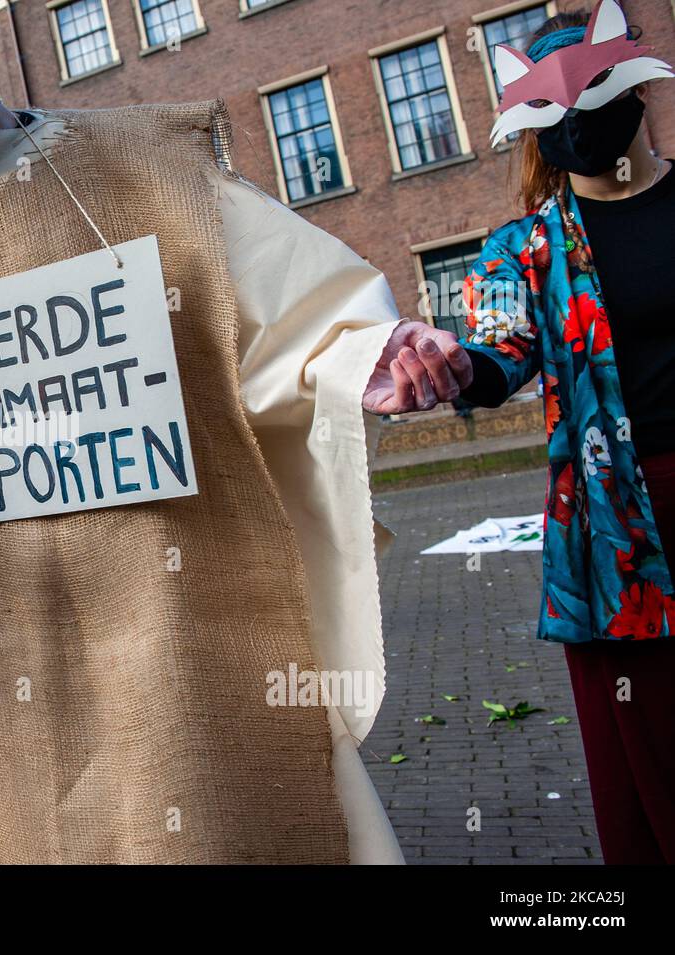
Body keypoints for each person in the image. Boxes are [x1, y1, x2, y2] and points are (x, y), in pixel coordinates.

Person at [0, 0, 468, 864]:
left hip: (179, 613)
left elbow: (280, 308)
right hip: (8, 647)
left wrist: (369, 349)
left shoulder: (144, 165)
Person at [418, 0, 674, 863]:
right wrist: (453, 368)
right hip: (620, 529)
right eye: (555, 110)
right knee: (654, 755)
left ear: (636, 86)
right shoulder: (522, 252)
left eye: (597, 92)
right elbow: (502, 352)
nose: (581, 120)